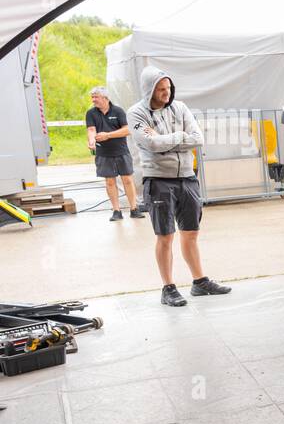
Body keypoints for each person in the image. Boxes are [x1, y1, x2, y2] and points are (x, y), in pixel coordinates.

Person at [127, 66, 231, 306]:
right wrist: (180, 137)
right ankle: (168, 288)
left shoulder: (180, 107)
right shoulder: (136, 113)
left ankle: (199, 282)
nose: (166, 93)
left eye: (169, 88)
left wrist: (169, 141)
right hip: (158, 180)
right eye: (161, 89)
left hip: (187, 178)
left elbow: (197, 138)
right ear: (149, 90)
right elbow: (150, 144)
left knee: (191, 232)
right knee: (165, 236)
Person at [85, 86, 144, 220]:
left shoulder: (118, 111)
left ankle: (134, 208)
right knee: (110, 182)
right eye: (92, 97)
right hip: (103, 153)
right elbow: (91, 129)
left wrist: (108, 135)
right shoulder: (91, 113)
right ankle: (116, 211)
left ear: (105, 98)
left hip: (121, 151)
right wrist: (91, 141)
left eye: (96, 97)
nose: (93, 100)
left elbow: (128, 130)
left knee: (127, 180)